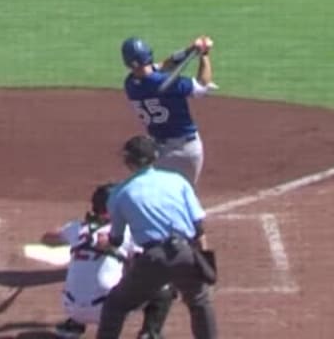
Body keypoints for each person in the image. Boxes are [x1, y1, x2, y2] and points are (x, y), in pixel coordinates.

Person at [96, 136, 219, 339]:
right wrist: (203, 262)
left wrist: (105, 242)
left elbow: (117, 239)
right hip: (186, 254)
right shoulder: (178, 180)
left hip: (153, 259)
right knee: (199, 302)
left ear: (129, 161)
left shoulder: (119, 193)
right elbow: (198, 228)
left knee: (116, 305)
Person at [40, 183, 171, 338]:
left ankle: (73, 326)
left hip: (71, 307)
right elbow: (143, 266)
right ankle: (150, 333)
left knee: (86, 275)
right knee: (163, 285)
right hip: (109, 310)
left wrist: (80, 235)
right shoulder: (127, 231)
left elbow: (46, 238)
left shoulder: (76, 228)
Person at [120, 35, 216, 185]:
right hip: (185, 150)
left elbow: (163, 65)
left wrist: (190, 50)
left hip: (157, 152)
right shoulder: (165, 82)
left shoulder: (130, 83)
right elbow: (203, 85)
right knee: (183, 197)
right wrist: (204, 54)